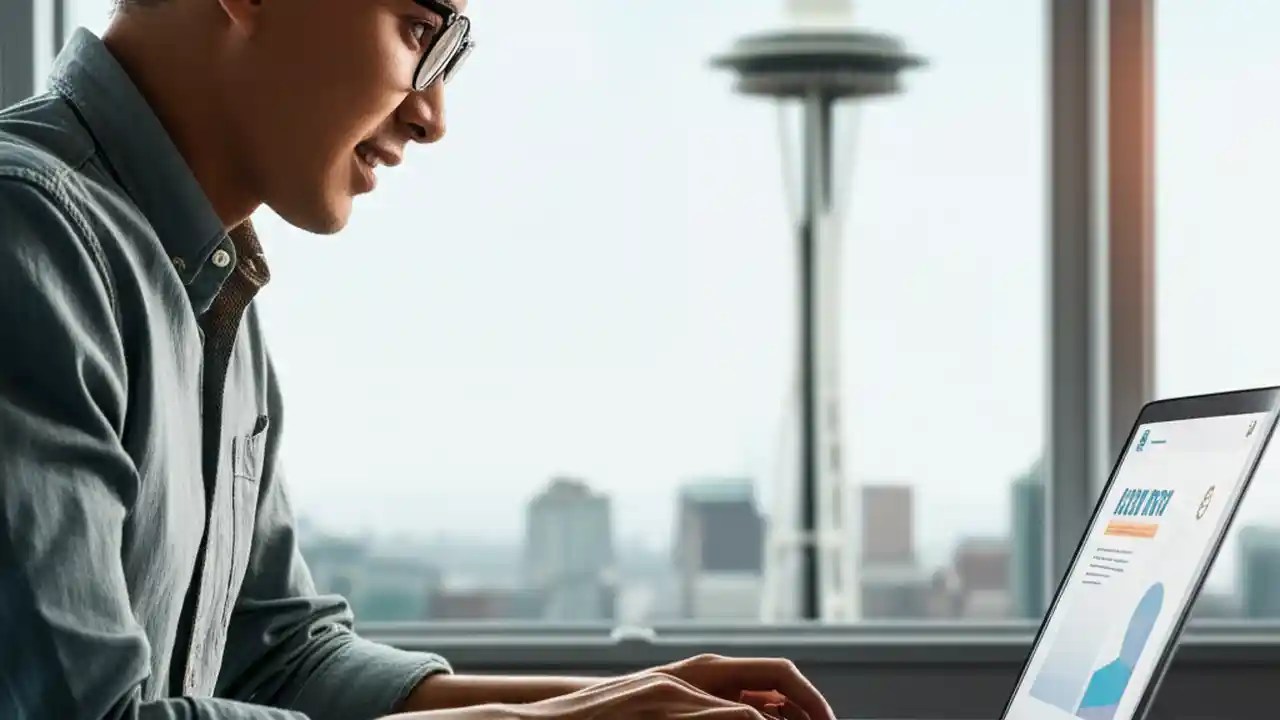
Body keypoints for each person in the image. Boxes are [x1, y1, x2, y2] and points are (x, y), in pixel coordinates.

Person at [0, 1, 838, 719]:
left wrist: (610, 699)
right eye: (418, 31)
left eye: (454, 55)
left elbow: (276, 660)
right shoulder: (27, 236)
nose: (432, 113)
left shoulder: (204, 284)